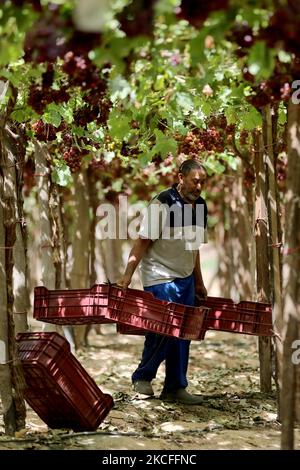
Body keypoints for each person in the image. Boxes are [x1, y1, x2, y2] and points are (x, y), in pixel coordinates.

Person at [117, 159, 208, 405]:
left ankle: (175, 387)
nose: (199, 186)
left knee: (183, 333)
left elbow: (194, 248)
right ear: (181, 177)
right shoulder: (162, 203)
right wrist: (127, 276)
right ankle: (143, 377)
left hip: (185, 277)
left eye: (202, 182)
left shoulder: (200, 206)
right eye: (194, 181)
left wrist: (198, 282)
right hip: (159, 275)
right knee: (163, 328)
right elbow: (142, 241)